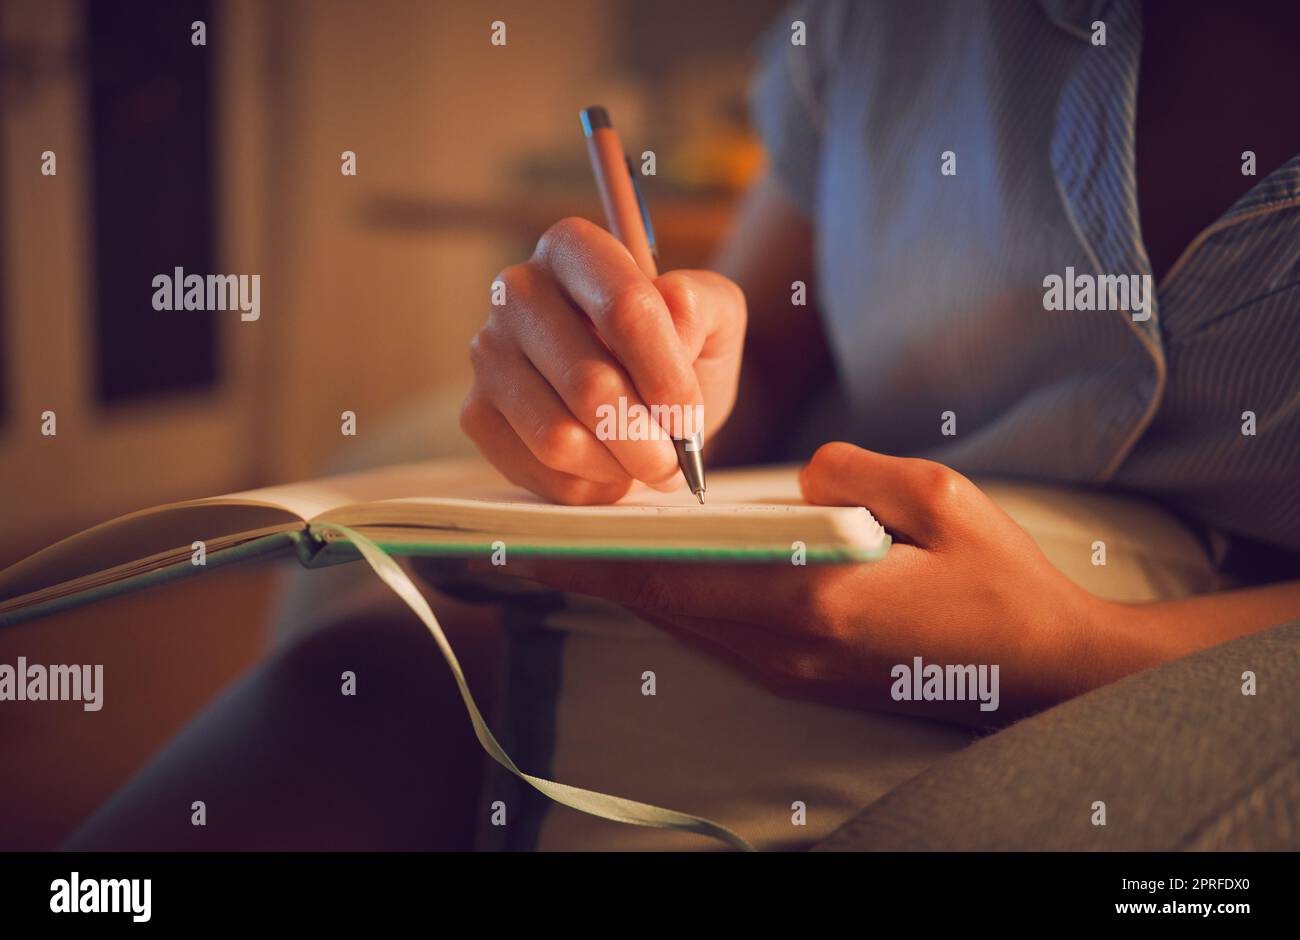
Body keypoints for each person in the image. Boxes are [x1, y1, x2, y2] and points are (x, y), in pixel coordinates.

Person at [67, 0, 1300, 851]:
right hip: (831, 554)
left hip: (1194, 658)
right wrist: (657, 367)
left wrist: (1069, 652)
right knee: (367, 654)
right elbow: (757, 350)